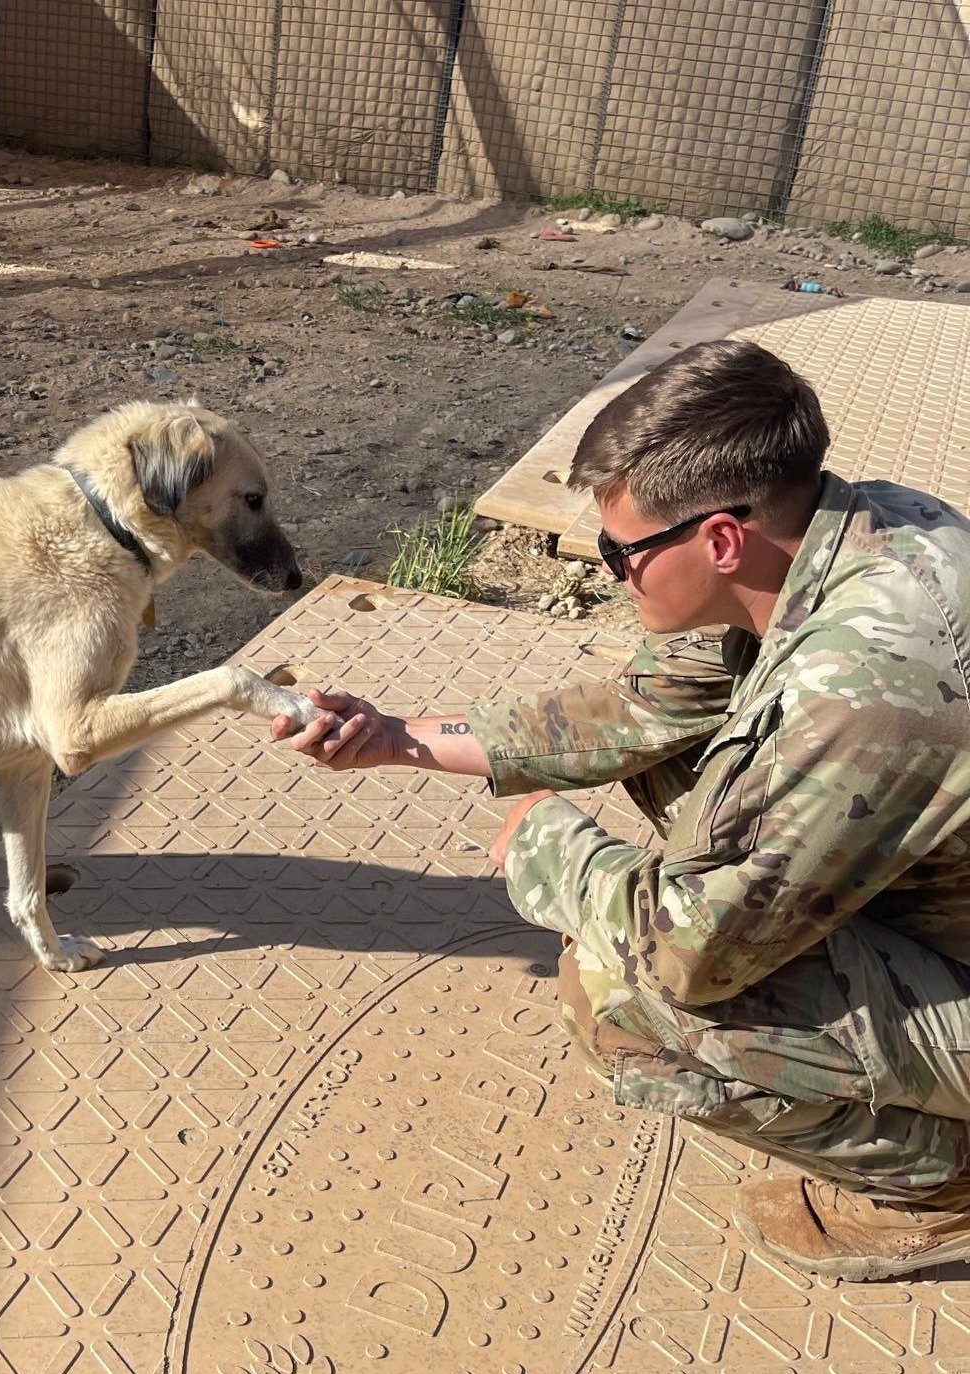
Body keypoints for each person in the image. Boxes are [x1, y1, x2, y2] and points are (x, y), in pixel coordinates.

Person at [273, 337, 970, 1282]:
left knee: (622, 992)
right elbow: (644, 709)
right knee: (685, 774)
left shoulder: (861, 684)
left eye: (620, 551)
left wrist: (553, 849)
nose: (612, 570)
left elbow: (692, 952)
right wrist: (397, 738)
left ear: (721, 538)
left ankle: (943, 1183)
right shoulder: (845, 530)